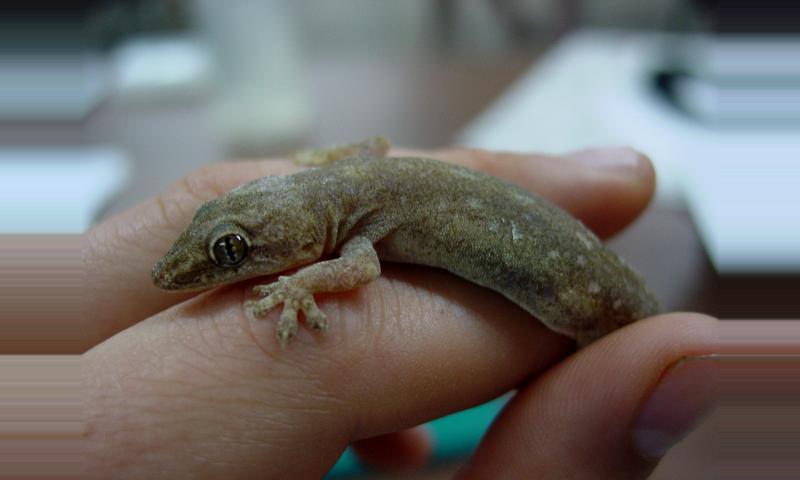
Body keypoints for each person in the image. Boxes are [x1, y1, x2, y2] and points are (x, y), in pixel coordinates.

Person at [82, 145, 717, 478]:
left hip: (594, 309)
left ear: (308, 240)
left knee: (601, 375)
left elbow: (361, 270)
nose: (195, 276)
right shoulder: (354, 179)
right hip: (594, 290)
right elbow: (375, 148)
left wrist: (299, 286)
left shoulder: (348, 231)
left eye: (231, 253)